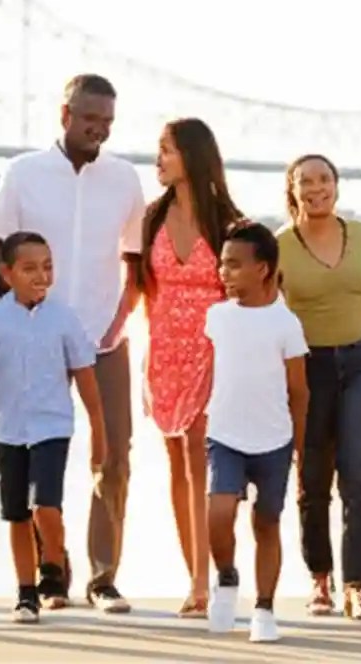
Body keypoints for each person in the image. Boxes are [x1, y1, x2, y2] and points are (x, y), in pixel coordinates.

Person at [0, 73, 145, 613]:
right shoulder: (23, 174)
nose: (98, 130)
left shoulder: (124, 179)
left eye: (107, 122)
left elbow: (136, 259)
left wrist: (120, 321)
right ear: (65, 115)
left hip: (101, 340)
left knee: (114, 456)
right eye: (89, 119)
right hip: (33, 341)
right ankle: (51, 574)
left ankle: (103, 578)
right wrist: (10, 315)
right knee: (30, 462)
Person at [0, 231, 107, 623]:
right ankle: (26, 593)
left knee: (45, 505)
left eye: (47, 267)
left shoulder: (64, 317)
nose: (41, 276)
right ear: (7, 273)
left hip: (52, 427)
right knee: (16, 514)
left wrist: (99, 432)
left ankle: (53, 565)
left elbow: (86, 377)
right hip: (7, 430)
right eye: (30, 269)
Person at [276, 153, 361, 620]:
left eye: (324, 178)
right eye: (306, 181)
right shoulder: (280, 245)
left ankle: (357, 586)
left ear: (337, 185)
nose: (316, 187)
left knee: (359, 476)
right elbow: (272, 315)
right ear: (293, 190)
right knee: (312, 479)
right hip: (308, 368)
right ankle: (320, 581)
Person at [136, 117, 245, 617]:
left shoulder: (229, 221)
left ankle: (210, 578)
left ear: (192, 156)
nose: (158, 159)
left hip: (214, 348)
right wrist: (109, 335)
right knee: (178, 464)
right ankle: (195, 575)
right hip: (164, 349)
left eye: (166, 150)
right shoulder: (152, 218)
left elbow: (249, 295)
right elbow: (139, 288)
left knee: (204, 461)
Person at [203, 222, 310, 643]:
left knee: (267, 522)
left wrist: (300, 452)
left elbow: (299, 392)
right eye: (221, 264)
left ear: (263, 269)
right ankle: (226, 578)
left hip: (274, 441)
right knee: (219, 513)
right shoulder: (217, 317)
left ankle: (264, 608)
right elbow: (209, 372)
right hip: (225, 435)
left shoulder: (286, 324)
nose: (223, 273)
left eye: (233, 265)